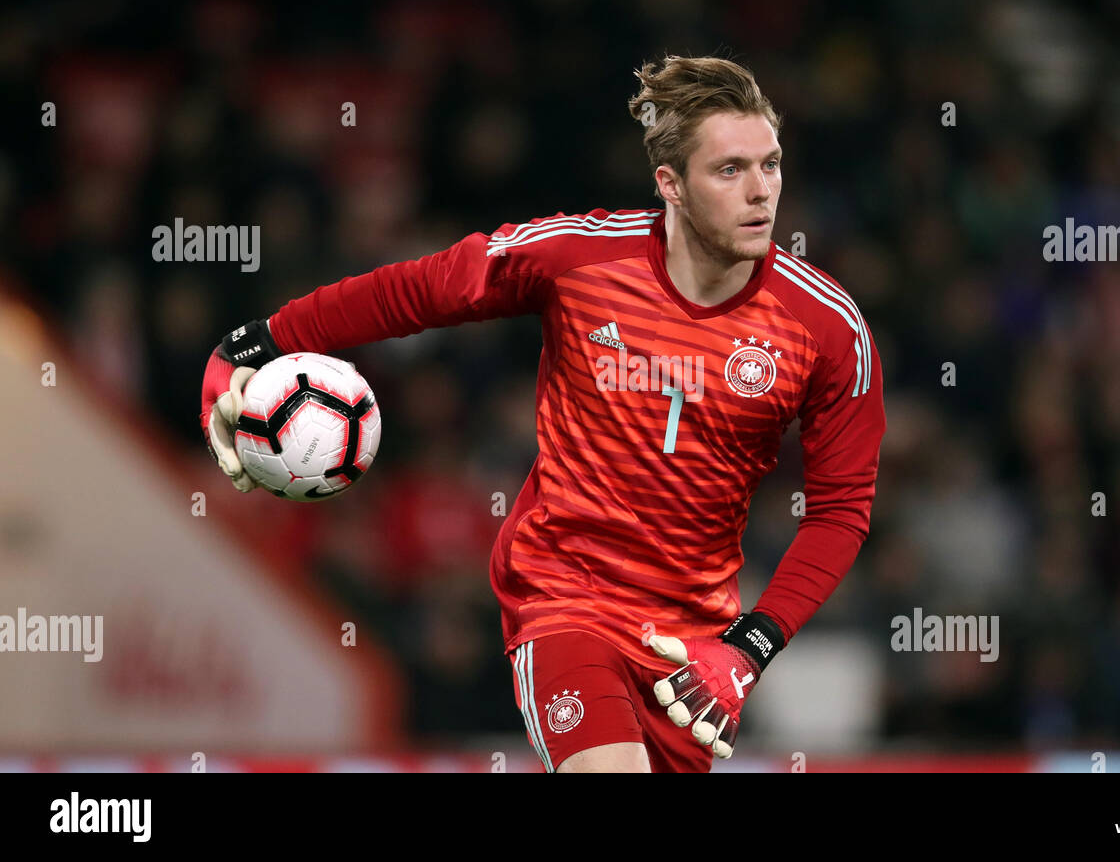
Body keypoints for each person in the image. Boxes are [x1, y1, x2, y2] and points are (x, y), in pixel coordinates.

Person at [199, 55, 886, 772]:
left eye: (771, 164)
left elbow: (841, 509)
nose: (761, 191)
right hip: (566, 598)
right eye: (730, 169)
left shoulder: (827, 327)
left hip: (690, 644)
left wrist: (751, 644)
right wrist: (259, 341)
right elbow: (422, 290)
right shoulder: (578, 259)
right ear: (671, 185)